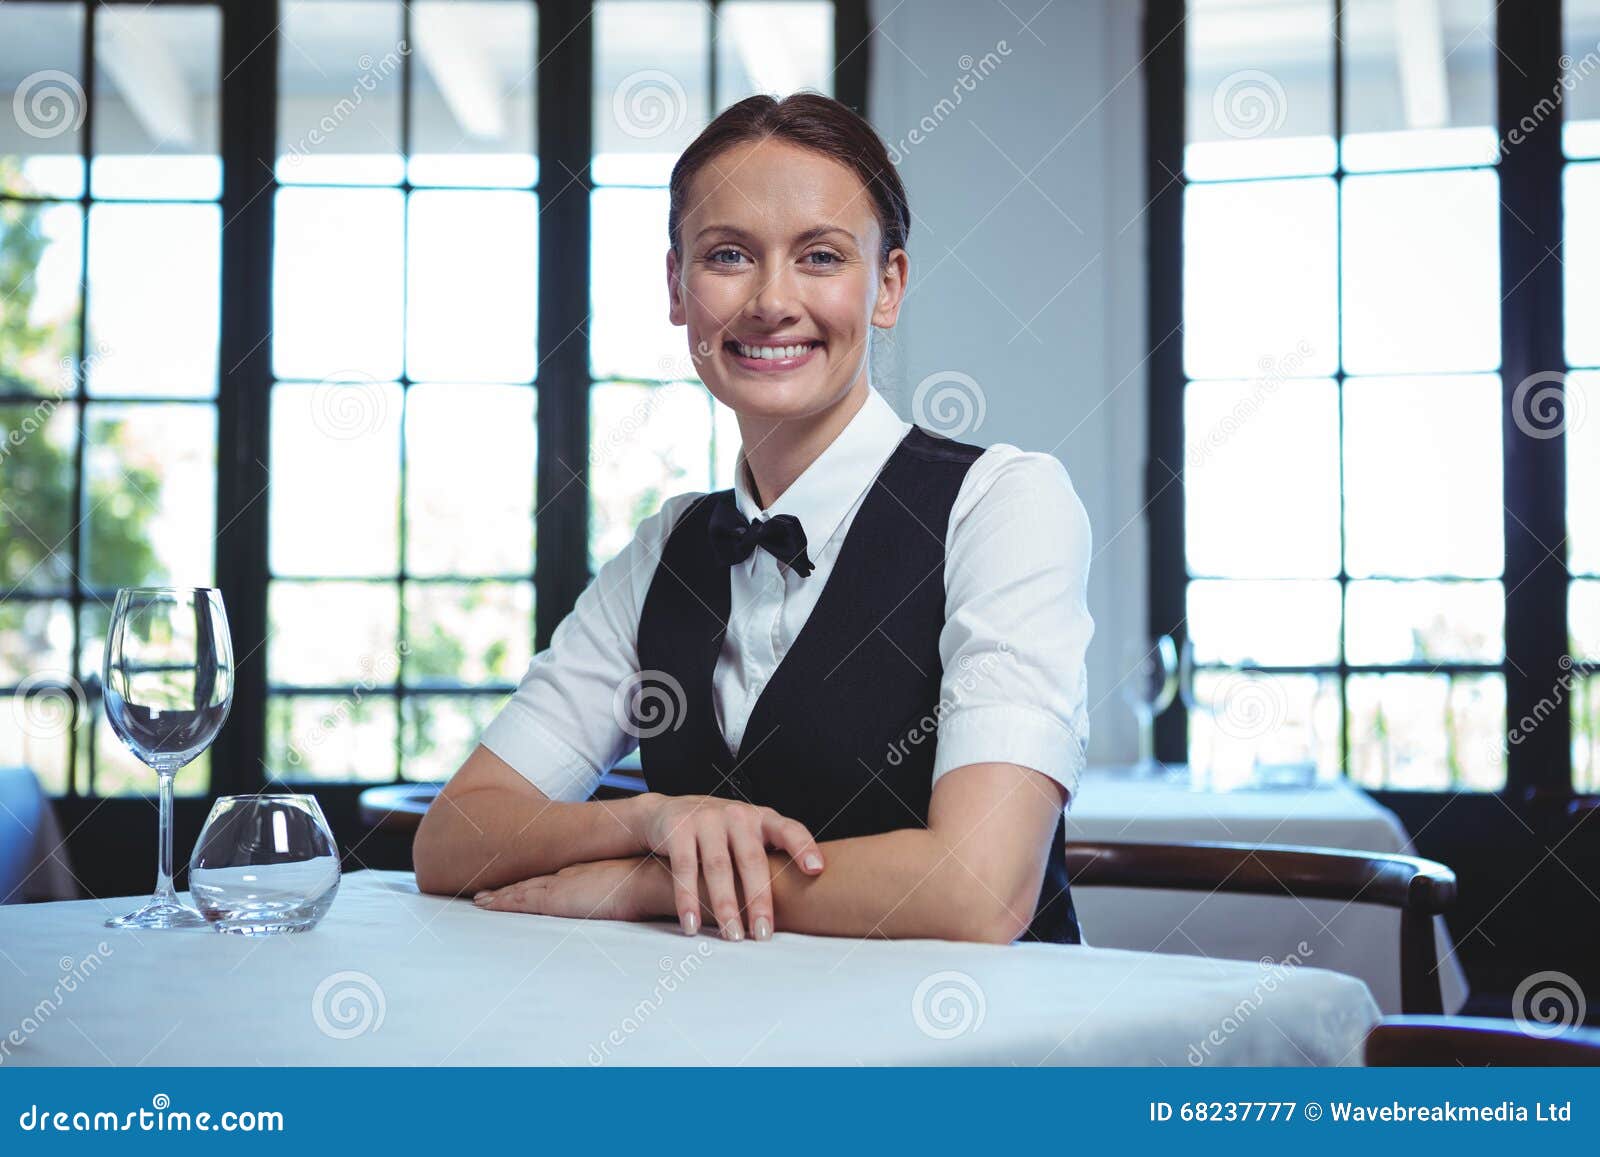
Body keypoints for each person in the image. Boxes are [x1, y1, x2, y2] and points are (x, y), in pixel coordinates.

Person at [413, 92, 1094, 945]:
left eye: (820, 257)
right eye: (729, 254)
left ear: (888, 286)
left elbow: (977, 891)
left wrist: (647, 887)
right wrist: (651, 821)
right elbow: (452, 838)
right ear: (677, 286)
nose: (772, 301)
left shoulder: (1004, 504)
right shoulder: (667, 547)